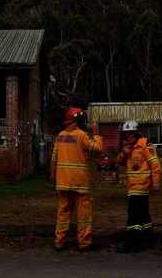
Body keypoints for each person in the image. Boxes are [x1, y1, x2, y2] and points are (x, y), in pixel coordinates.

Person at [50, 106, 104, 251]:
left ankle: (60, 242)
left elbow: (54, 158)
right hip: (80, 182)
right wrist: (96, 134)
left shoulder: (60, 136)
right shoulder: (81, 136)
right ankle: (84, 243)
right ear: (78, 121)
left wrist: (53, 175)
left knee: (63, 213)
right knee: (84, 214)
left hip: (63, 181)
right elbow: (97, 149)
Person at [115, 119, 162, 253]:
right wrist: (124, 153)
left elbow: (155, 164)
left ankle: (131, 242)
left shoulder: (145, 145)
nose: (128, 135)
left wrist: (156, 181)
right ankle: (147, 239)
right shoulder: (128, 147)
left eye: (131, 133)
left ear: (136, 133)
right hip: (132, 186)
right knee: (143, 215)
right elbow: (119, 162)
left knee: (133, 216)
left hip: (141, 186)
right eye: (126, 133)